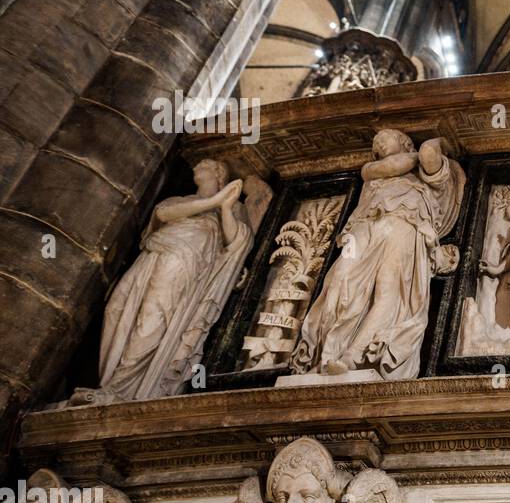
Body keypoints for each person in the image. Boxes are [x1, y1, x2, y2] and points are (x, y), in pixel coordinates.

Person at [291, 129, 464, 379]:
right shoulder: (372, 169)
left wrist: (438, 140)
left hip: (406, 223)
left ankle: (353, 355)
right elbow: (391, 166)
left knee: (389, 291)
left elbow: (428, 154)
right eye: (375, 142)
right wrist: (430, 146)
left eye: (385, 137)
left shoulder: (432, 167)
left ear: (405, 141)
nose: (378, 143)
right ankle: (325, 353)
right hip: (362, 227)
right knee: (340, 279)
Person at [83, 159, 254, 402]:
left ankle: (121, 388)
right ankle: (108, 381)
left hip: (184, 260)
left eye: (204, 164)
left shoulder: (234, 207)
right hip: (155, 254)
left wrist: (225, 207)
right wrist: (213, 202)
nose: (196, 167)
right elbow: (163, 214)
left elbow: (237, 242)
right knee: (116, 308)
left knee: (152, 317)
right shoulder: (180, 201)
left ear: (218, 173)